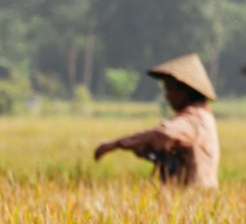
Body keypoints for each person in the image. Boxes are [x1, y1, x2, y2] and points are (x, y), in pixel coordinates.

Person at [93, 54, 221, 188]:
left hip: (193, 197)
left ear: (185, 90)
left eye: (170, 89)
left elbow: (164, 133)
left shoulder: (192, 119)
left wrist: (118, 143)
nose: (167, 95)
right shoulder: (202, 115)